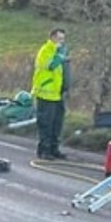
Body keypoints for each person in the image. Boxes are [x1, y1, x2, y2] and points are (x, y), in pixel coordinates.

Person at [32, 28, 69, 160]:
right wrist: (59, 56)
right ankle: (44, 150)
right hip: (45, 94)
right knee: (46, 124)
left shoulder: (59, 52)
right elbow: (51, 66)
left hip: (57, 94)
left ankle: (54, 149)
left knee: (57, 123)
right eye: (59, 39)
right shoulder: (46, 51)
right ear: (52, 38)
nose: (61, 42)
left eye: (63, 39)